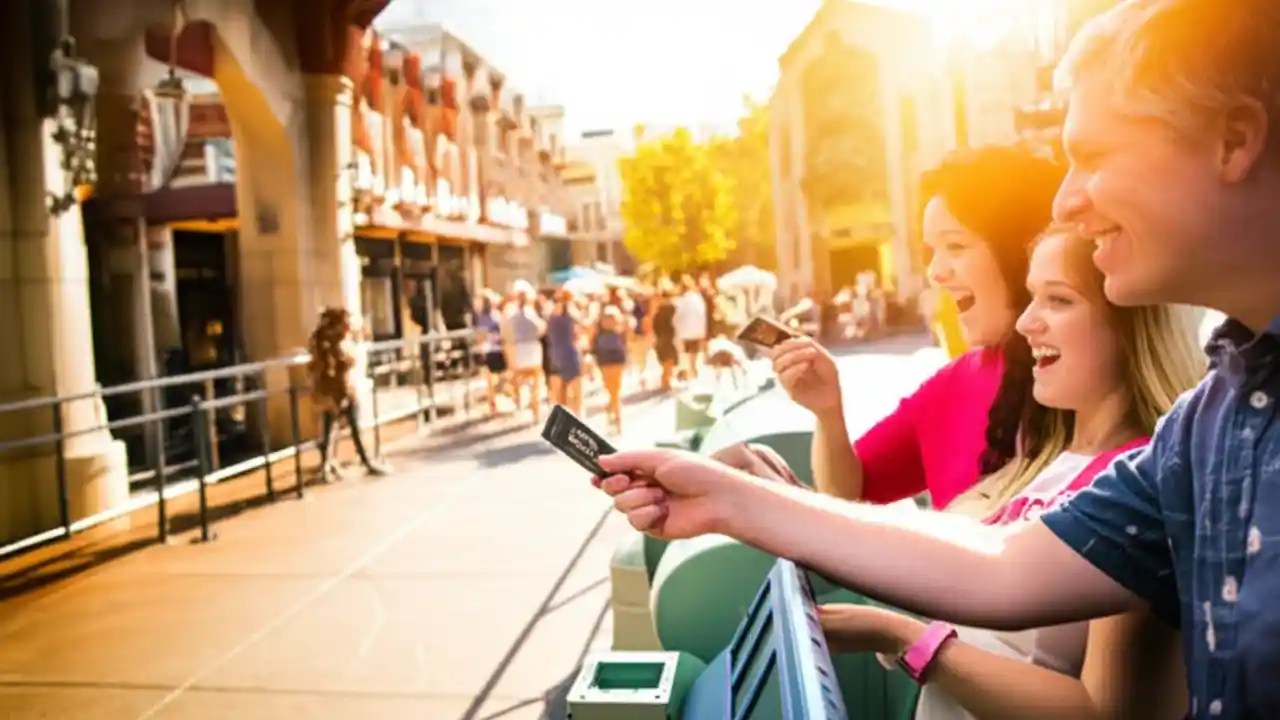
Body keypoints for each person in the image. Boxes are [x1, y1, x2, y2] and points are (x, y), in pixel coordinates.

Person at [596, 2, 1280, 716]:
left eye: (1093, 157)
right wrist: (729, 498)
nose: (1067, 198)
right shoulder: (1209, 421)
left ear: (1234, 139)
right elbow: (1006, 568)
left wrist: (900, 632)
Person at [822, 229, 1202, 720]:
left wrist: (905, 639)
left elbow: (1104, 710)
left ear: (1130, 322)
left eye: (1058, 300)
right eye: (1030, 297)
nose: (1025, 323)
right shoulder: (1045, 460)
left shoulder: (1140, 484)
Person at [767, 145, 1065, 510]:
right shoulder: (954, 384)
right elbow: (849, 492)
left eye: (955, 246)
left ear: (1026, 253)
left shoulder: (1098, 387)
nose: (936, 272)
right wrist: (828, 413)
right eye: (931, 251)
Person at [306, 307, 391, 480]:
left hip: (334, 391)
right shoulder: (334, 344)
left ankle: (329, 464)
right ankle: (362, 461)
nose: (349, 326)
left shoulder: (324, 340)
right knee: (347, 427)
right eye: (346, 323)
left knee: (331, 428)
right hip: (340, 391)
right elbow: (338, 368)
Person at [502, 282, 546, 424]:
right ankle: (536, 411)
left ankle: (518, 399)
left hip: (518, 349)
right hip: (532, 348)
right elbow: (540, 328)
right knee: (536, 383)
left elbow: (505, 332)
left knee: (517, 378)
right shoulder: (531, 312)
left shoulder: (510, 313)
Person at [547, 289, 584, 415]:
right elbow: (579, 331)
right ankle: (578, 416)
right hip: (570, 354)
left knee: (558, 394)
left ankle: (564, 419)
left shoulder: (551, 315)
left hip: (555, 355)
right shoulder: (571, 315)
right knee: (576, 391)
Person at [593, 305, 629, 434]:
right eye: (606, 319)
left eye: (611, 319)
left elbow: (625, 347)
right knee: (610, 389)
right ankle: (612, 412)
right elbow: (594, 348)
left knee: (615, 390)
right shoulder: (598, 333)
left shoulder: (620, 331)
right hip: (604, 361)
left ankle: (617, 417)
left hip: (617, 360)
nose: (608, 322)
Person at [673, 275, 708, 380]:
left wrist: (676, 327)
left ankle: (687, 372)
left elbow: (677, 316)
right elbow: (702, 314)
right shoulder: (698, 298)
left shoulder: (681, 300)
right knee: (694, 352)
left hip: (684, 331)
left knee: (684, 353)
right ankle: (693, 370)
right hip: (697, 330)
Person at [651, 282, 680, 391]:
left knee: (666, 362)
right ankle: (665, 383)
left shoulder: (659, 312)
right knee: (669, 361)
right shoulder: (672, 310)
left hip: (661, 339)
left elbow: (655, 326)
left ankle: (666, 382)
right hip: (668, 339)